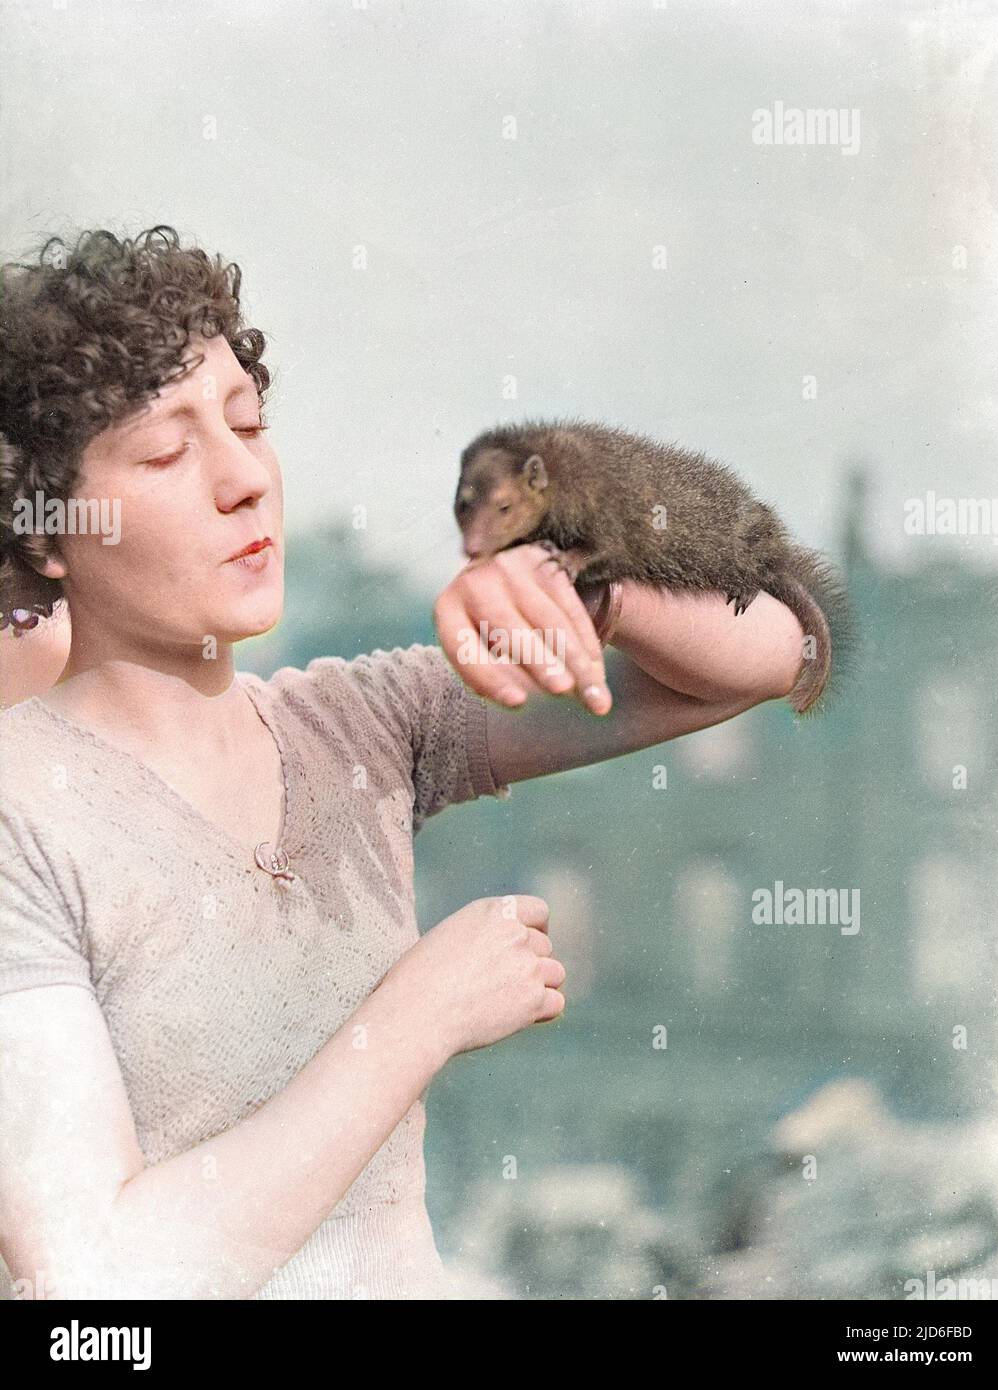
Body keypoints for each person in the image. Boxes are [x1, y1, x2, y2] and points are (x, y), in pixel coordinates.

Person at [0, 226, 805, 1300]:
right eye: (166, 450)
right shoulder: (21, 809)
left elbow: (768, 652)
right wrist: (417, 1015)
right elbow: (95, 1289)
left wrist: (574, 585)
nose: (243, 478)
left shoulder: (366, 722)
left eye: (248, 423)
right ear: (49, 529)